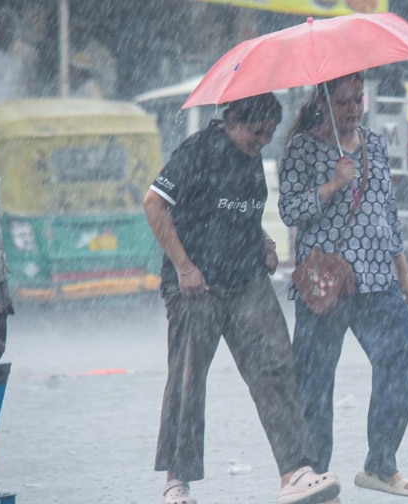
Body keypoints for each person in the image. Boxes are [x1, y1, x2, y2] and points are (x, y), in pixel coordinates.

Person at [142, 93, 341, 504]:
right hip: (197, 286)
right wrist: (183, 267)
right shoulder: (198, 151)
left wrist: (265, 242)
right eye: (256, 131)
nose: (262, 141)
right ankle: (177, 482)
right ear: (232, 119)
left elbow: (241, 215)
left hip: (246, 280)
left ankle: (296, 471)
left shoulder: (251, 159)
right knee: (188, 379)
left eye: (269, 133)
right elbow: (154, 205)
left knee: (276, 367)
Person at [279, 72, 408, 500]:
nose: (354, 109)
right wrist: (331, 186)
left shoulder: (375, 145)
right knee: (315, 383)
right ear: (323, 102)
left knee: (404, 362)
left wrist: (403, 269)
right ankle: (316, 475)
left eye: (358, 99)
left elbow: (386, 211)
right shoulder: (301, 149)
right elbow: (289, 210)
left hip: (378, 279)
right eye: (344, 101)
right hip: (326, 284)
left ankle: (380, 464)